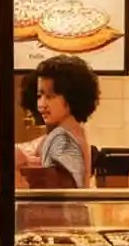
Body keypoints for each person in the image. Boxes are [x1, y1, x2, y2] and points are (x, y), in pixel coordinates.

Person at [24, 56, 99, 188]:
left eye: (50, 96)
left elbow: (58, 194)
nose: (42, 104)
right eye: (39, 96)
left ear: (72, 96)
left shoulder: (62, 138)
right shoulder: (72, 131)